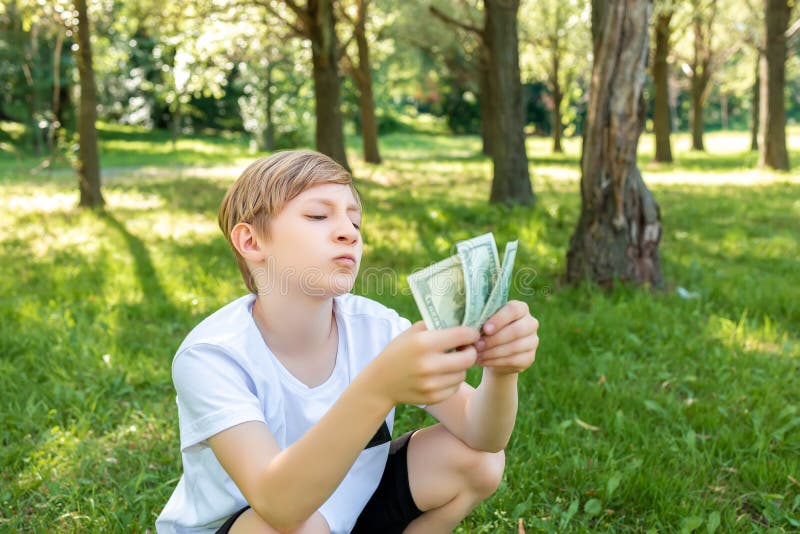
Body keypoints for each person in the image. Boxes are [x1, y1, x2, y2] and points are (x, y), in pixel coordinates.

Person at [155, 150, 540, 534]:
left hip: (342, 512)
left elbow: (483, 435)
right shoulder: (212, 355)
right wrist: (378, 389)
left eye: (354, 220)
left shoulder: (377, 328)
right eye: (318, 216)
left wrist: (502, 373)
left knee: (476, 460)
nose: (349, 232)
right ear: (252, 242)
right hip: (257, 524)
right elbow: (279, 507)